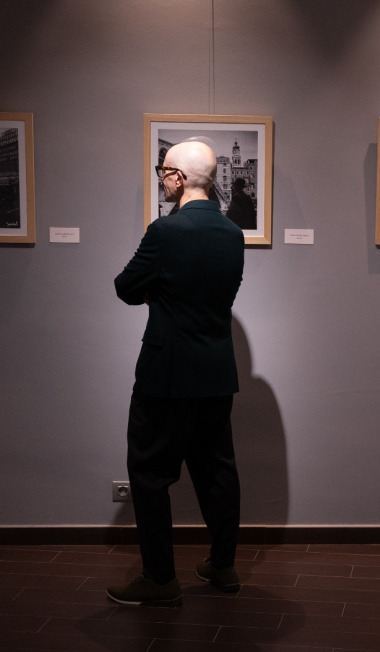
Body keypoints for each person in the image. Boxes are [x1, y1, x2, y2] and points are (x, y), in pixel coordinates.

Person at [107, 141, 245, 607]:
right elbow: (222, 294)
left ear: (179, 179)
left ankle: (160, 579)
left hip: (166, 373)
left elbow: (125, 287)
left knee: (149, 474)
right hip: (216, 370)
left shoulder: (166, 231)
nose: (161, 179)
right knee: (217, 470)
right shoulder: (232, 233)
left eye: (163, 172)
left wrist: (159, 296)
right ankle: (223, 565)